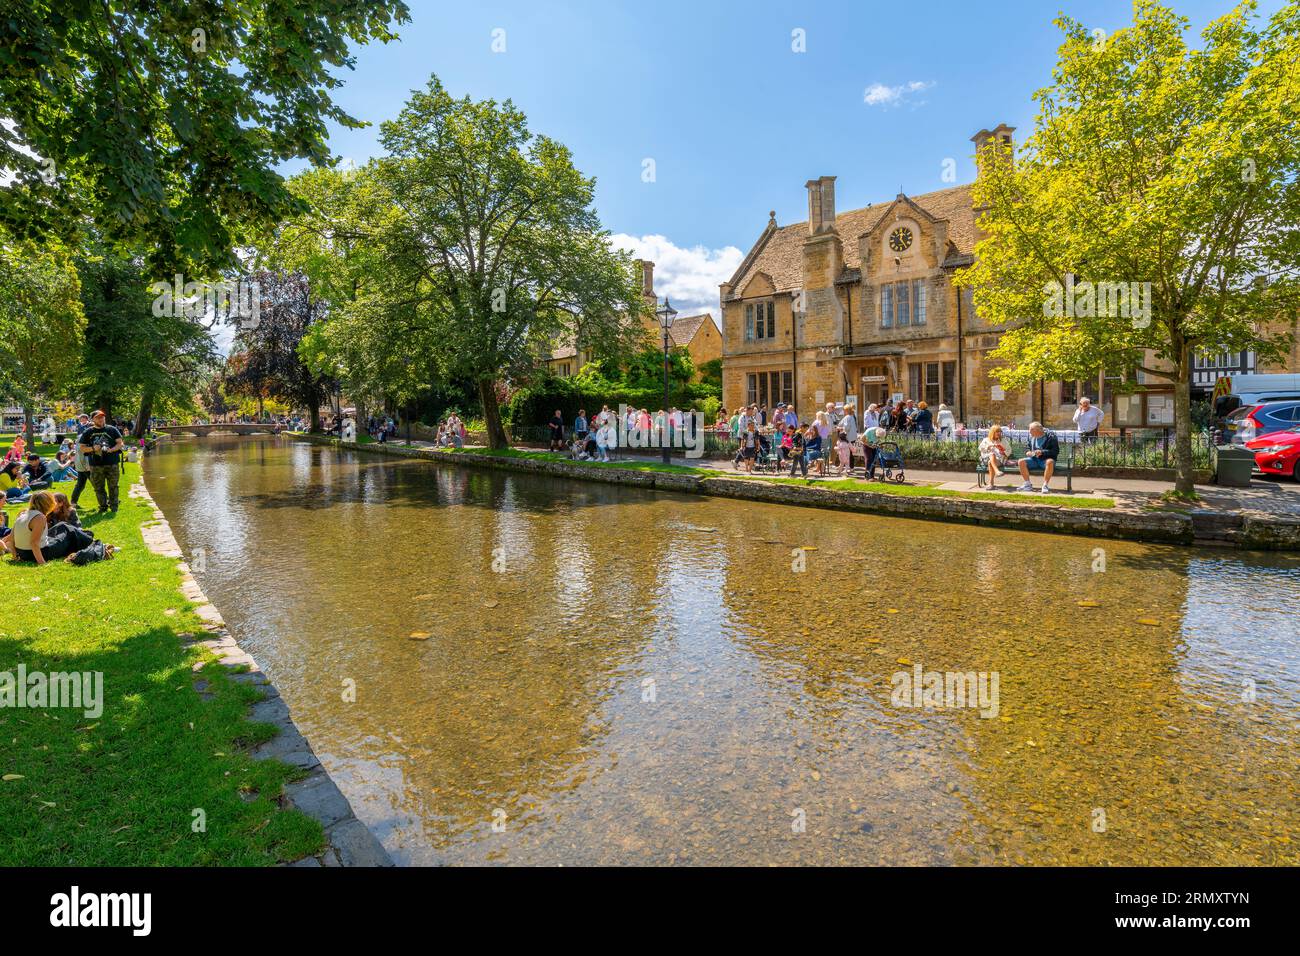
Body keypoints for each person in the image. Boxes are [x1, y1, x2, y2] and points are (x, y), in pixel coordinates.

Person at [1, 491, 99, 564]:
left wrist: (16, 557)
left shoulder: (23, 514)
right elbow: (34, 543)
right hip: (40, 553)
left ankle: (87, 539)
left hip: (23, 553)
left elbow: (12, 537)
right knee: (67, 529)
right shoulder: (39, 517)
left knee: (61, 526)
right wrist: (42, 563)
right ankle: (95, 545)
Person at [78, 409, 124, 513]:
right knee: (99, 488)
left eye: (102, 417)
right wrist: (94, 448)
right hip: (95, 465)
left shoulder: (112, 429)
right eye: (98, 417)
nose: (101, 419)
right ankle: (103, 507)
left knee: (113, 486)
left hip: (112, 463)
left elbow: (120, 443)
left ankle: (114, 507)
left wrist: (112, 449)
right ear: (93, 419)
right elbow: (82, 448)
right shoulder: (88, 431)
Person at [1016, 422, 1060, 493]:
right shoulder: (1032, 437)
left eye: (1031, 429)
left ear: (1038, 430)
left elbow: (1055, 451)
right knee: (1021, 461)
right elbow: (1027, 447)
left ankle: (1045, 485)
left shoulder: (1051, 437)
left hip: (1045, 460)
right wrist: (1028, 452)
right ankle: (1027, 485)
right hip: (1034, 459)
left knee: (1050, 462)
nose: (1029, 431)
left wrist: (1042, 452)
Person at [979, 425, 1012, 489]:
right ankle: (997, 471)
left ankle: (991, 484)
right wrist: (988, 447)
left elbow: (1009, 450)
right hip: (985, 459)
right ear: (992, 432)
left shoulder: (1003, 440)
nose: (999, 433)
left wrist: (1003, 452)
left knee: (990, 462)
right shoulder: (986, 440)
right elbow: (980, 448)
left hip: (998, 460)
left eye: (1000, 431)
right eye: (997, 431)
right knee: (992, 454)